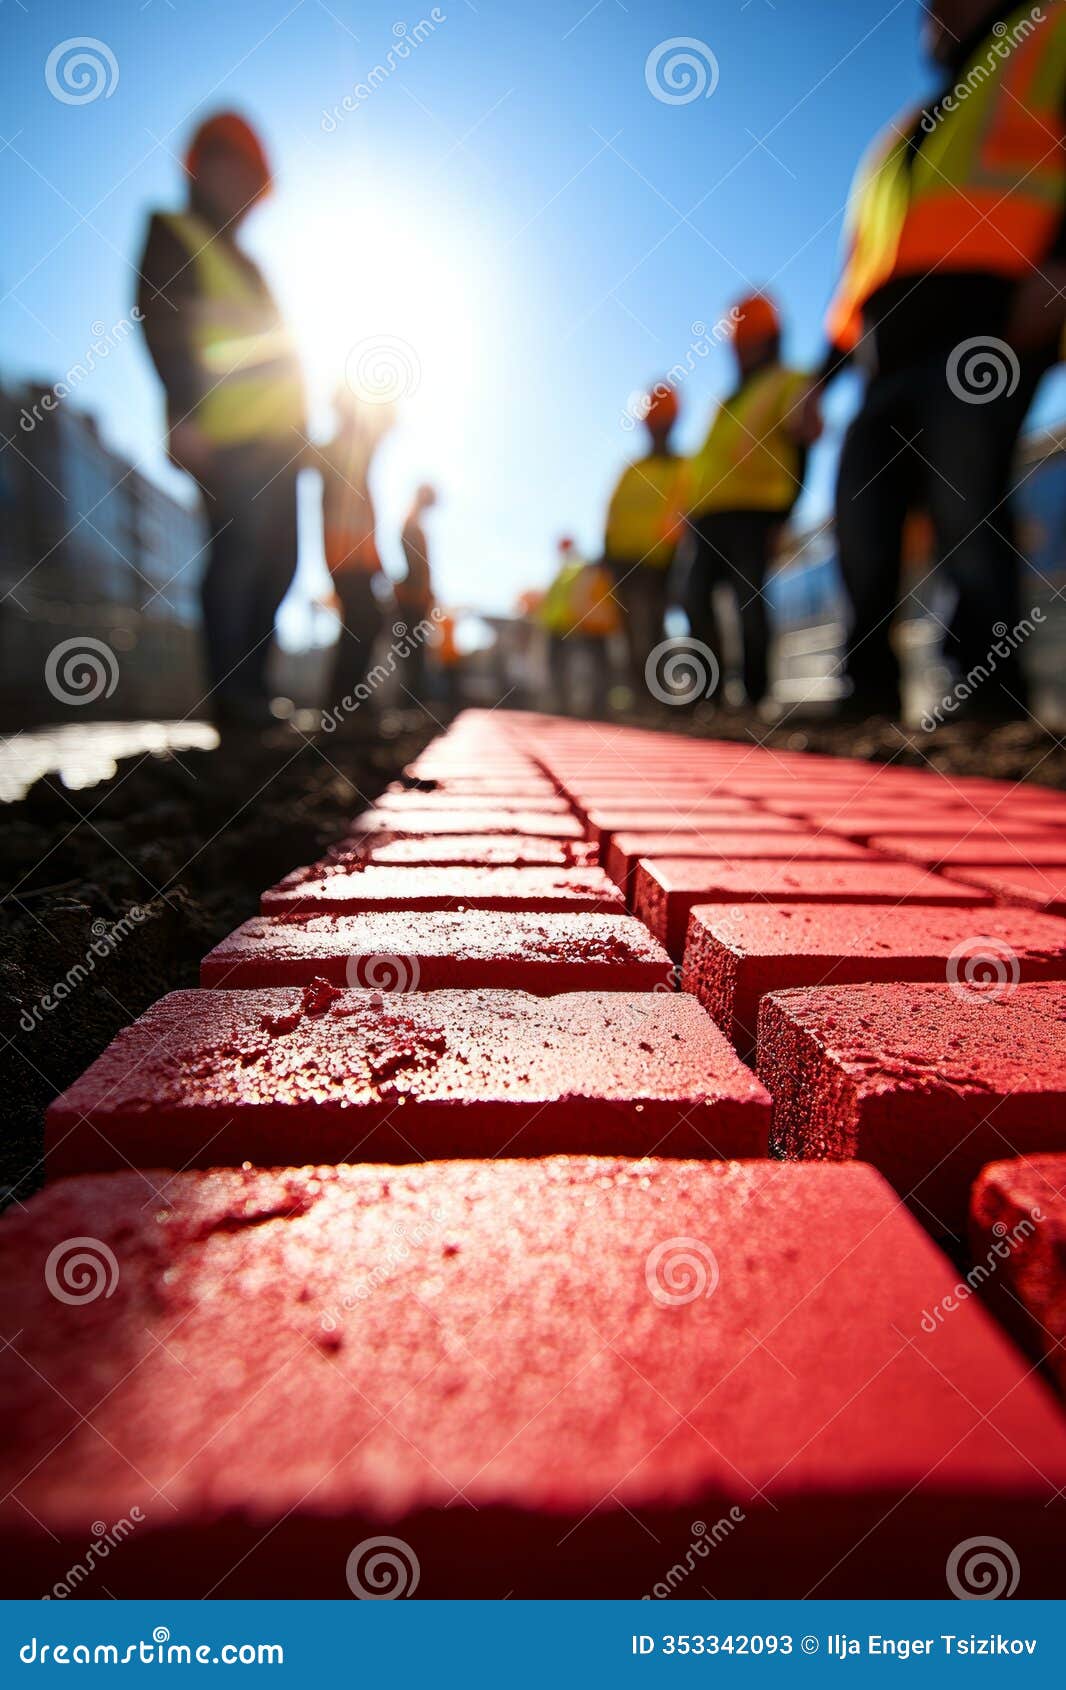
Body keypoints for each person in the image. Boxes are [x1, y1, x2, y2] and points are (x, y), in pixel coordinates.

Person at [813, 0, 1066, 721]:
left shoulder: (1048, 34)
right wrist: (820, 381)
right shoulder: (899, 139)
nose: (930, 15)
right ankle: (866, 687)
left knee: (965, 498)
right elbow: (864, 272)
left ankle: (988, 689)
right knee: (862, 512)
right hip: (887, 353)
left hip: (987, 326)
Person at [136, 112, 305, 729]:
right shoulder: (172, 232)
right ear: (204, 167)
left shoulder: (252, 266)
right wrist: (184, 412)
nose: (245, 196)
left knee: (279, 563)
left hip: (281, 445)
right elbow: (162, 319)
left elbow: (282, 354)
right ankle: (232, 706)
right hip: (225, 439)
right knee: (238, 555)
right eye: (236, 175)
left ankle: (257, 690)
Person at [684, 295, 816, 710]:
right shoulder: (727, 401)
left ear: (771, 341)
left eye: (751, 341)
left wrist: (785, 513)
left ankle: (757, 695)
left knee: (749, 597)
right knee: (694, 596)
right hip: (707, 517)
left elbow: (802, 444)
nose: (742, 352)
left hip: (755, 513)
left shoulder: (790, 381)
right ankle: (710, 694)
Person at [603, 383, 688, 693]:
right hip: (623, 564)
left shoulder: (683, 467)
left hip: (659, 563)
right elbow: (612, 515)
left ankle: (662, 694)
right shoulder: (632, 470)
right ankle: (641, 696)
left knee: (651, 627)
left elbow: (686, 512)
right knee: (630, 633)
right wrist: (607, 556)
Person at [320, 390, 394, 717]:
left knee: (366, 620)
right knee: (362, 620)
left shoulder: (352, 448)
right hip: (345, 557)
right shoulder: (338, 449)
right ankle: (343, 699)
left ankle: (348, 697)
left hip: (358, 557)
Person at [539, 537, 619, 716]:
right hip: (557, 627)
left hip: (576, 626)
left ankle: (593, 709)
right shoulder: (562, 572)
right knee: (562, 669)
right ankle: (563, 708)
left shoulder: (580, 569)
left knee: (587, 669)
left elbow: (580, 599)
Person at [396, 484, 438, 705]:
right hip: (411, 598)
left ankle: (413, 701)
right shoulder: (411, 524)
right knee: (411, 650)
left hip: (416, 597)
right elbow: (416, 565)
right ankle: (409, 703)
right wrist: (420, 591)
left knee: (415, 650)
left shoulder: (414, 523)